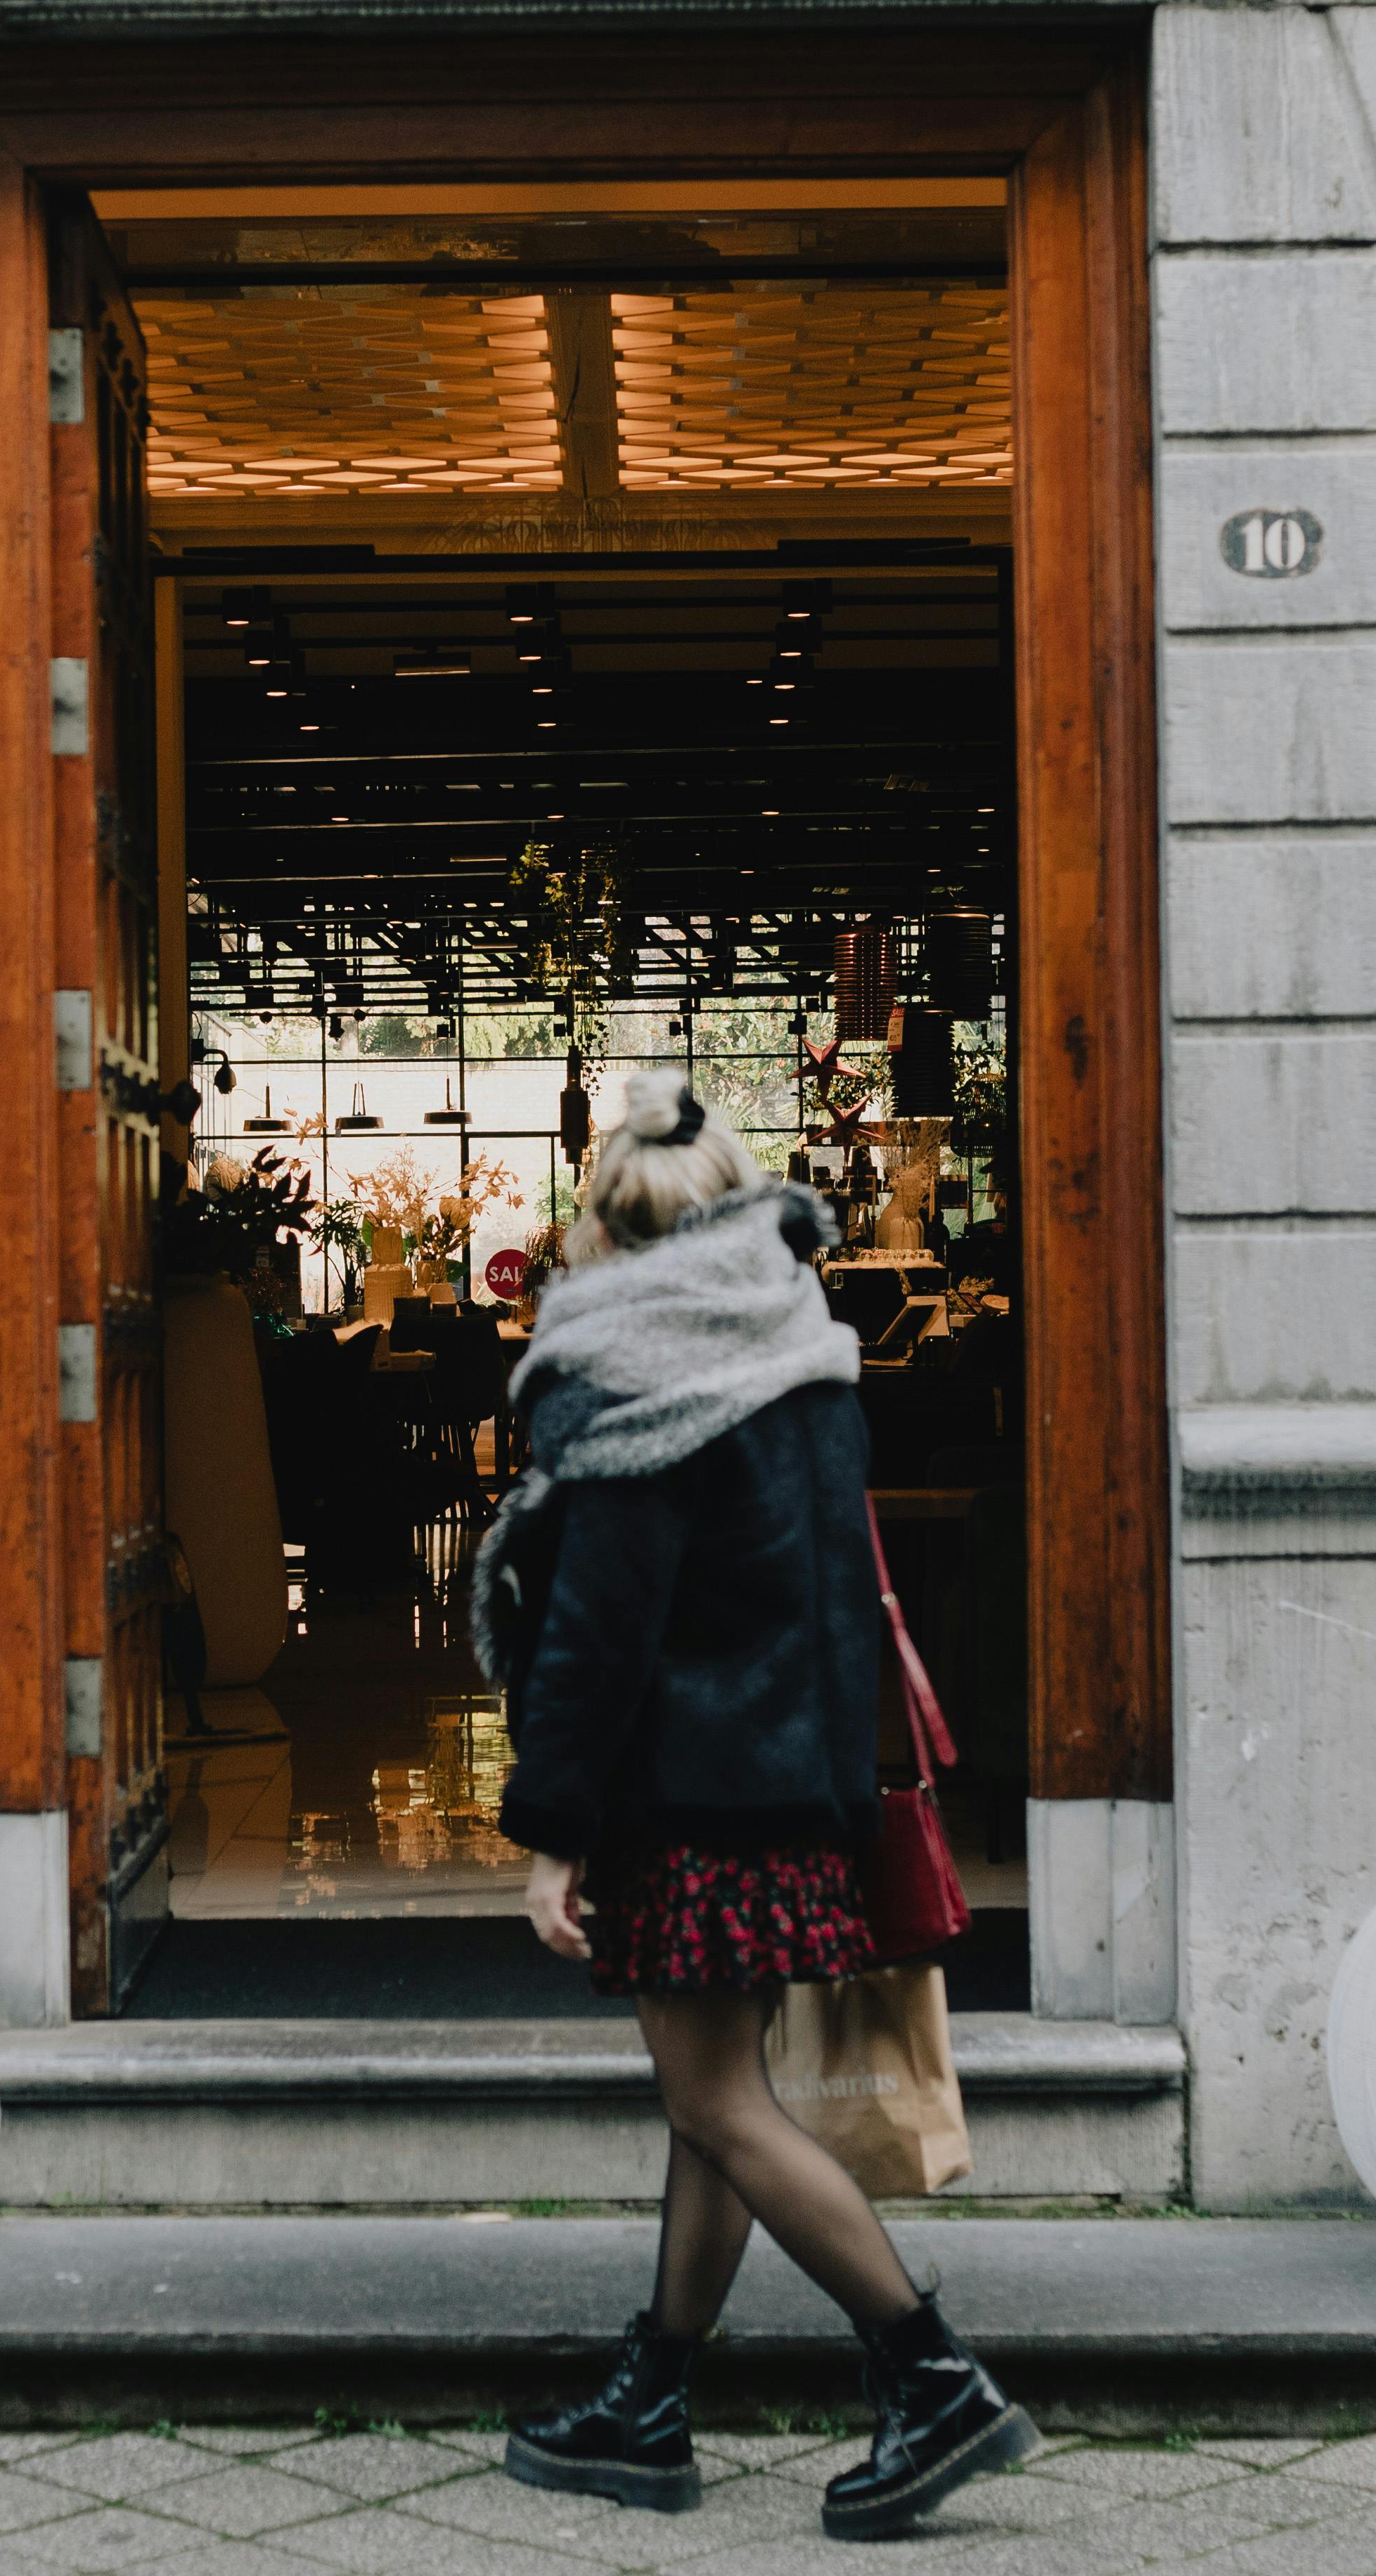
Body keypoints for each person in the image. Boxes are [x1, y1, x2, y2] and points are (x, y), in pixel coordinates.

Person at [468, 1068, 1038, 2544]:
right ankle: (652, 2397)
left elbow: (599, 1633)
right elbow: (845, 1595)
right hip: (788, 1790)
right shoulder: (807, 1361)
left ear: (606, 1226)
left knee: (718, 2097)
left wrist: (554, 1833)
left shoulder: (633, 1380)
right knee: (707, 2103)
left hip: (691, 1802)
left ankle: (929, 2378)